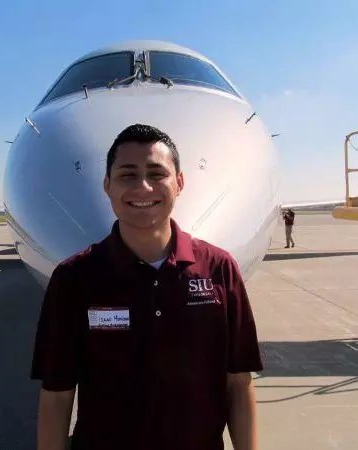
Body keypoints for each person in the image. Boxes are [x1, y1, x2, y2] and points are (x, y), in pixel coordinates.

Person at [31, 124, 263, 450]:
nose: (143, 187)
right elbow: (57, 395)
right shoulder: (74, 278)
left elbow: (239, 385)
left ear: (179, 183)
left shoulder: (219, 269)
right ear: (107, 186)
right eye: (128, 175)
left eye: (157, 174)